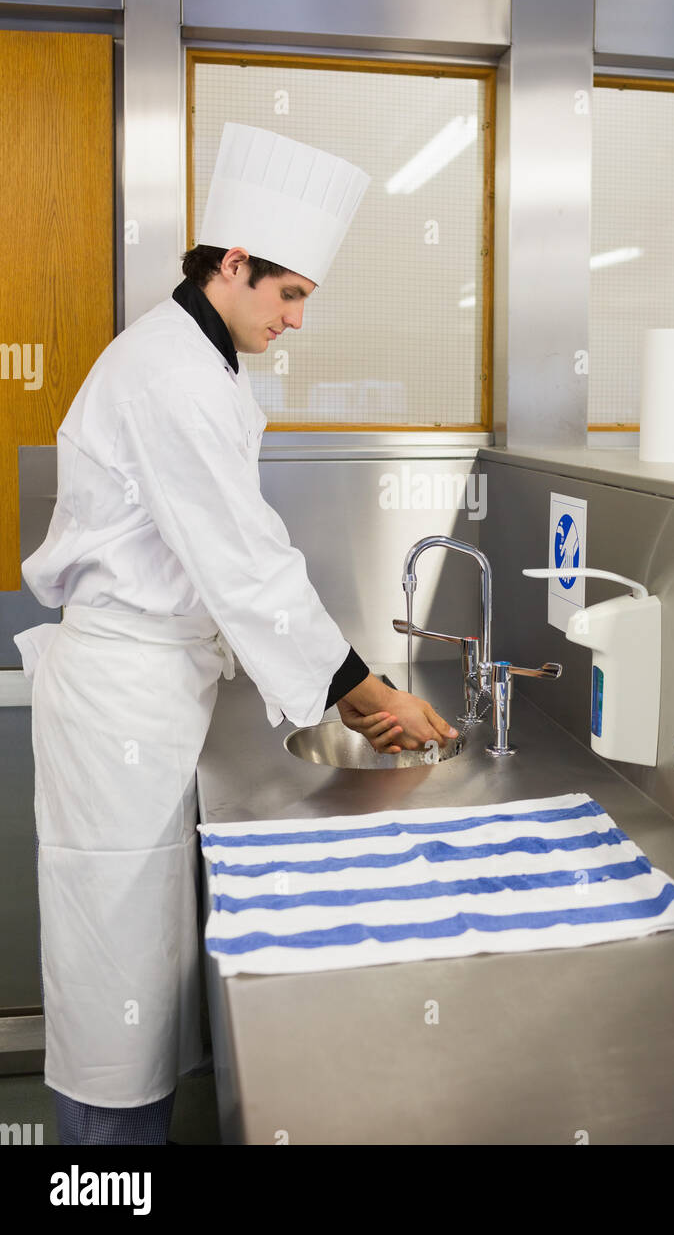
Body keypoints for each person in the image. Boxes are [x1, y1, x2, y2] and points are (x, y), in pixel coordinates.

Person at [14, 122, 458, 1145]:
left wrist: (350, 681)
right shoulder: (170, 372)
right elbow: (245, 566)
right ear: (231, 264)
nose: (296, 319)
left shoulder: (195, 366)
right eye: (288, 293)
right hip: (119, 701)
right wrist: (368, 692)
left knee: (142, 967)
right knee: (111, 975)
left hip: (152, 694)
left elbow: (237, 564)